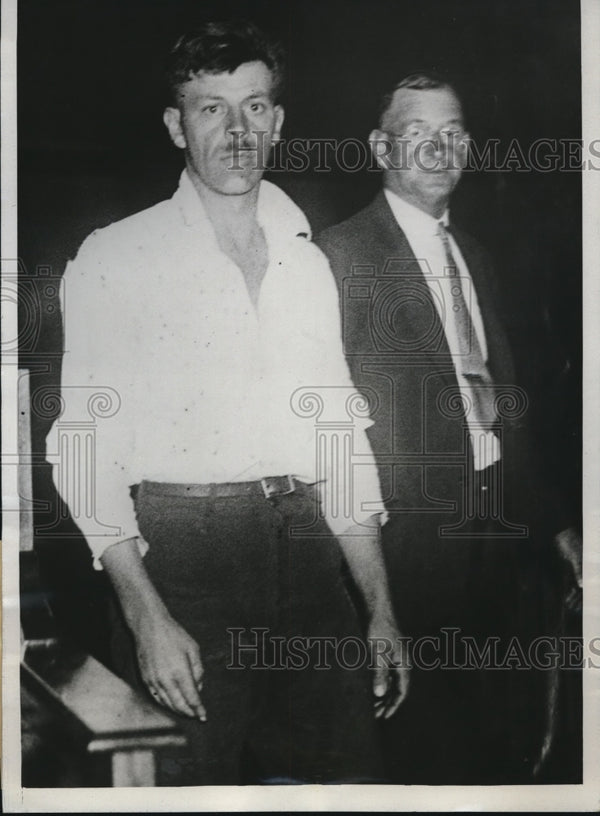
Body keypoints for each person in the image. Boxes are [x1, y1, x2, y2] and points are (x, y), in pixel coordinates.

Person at [50, 21, 409, 786]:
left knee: (347, 788)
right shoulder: (117, 256)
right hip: (182, 559)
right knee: (186, 790)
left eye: (253, 106)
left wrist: (377, 606)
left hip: (308, 554)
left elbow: (338, 436)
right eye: (211, 109)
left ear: (278, 119)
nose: (237, 131)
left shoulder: (306, 259)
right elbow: (81, 447)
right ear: (177, 126)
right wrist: (145, 614)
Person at [316, 72, 582, 784]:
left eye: (453, 132)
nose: (439, 149)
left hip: (495, 560)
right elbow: (327, 437)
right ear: (379, 146)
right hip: (403, 566)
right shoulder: (337, 259)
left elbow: (500, 415)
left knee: (491, 760)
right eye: (416, 134)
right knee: (414, 764)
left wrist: (560, 531)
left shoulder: (477, 259)